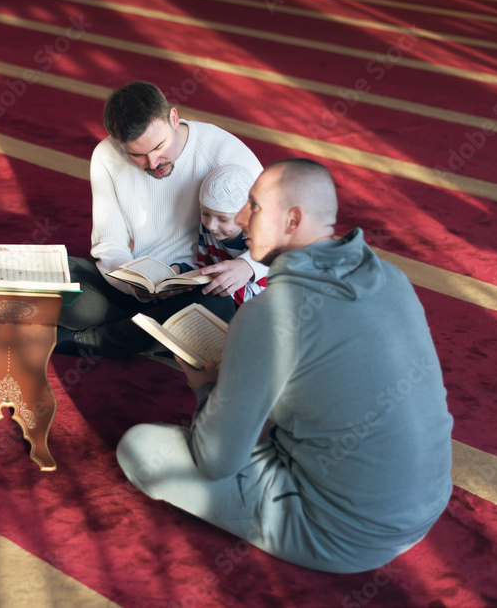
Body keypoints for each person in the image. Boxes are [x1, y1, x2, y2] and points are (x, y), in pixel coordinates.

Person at [116, 158, 454, 573]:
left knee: (141, 448)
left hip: (343, 535)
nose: (241, 219)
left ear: (292, 220)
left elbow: (215, 461)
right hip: (427, 507)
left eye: (254, 207)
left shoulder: (270, 314)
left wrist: (205, 387)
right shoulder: (391, 276)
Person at [56, 81, 266, 358]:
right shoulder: (106, 156)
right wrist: (136, 286)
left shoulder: (225, 151)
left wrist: (246, 266)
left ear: (174, 118)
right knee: (57, 276)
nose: (153, 162)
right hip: (140, 286)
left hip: (199, 290)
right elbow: (109, 246)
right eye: (137, 155)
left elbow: (278, 236)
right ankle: (153, 333)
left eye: (160, 146)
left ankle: (84, 341)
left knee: (215, 308)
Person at [170, 164, 265, 306]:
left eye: (223, 219)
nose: (211, 226)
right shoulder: (207, 228)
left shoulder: (261, 240)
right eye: (205, 213)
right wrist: (180, 271)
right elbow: (206, 264)